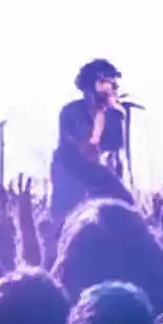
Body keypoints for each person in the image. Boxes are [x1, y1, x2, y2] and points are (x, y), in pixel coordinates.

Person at [49, 59, 133, 223]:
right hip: (70, 173)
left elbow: (115, 147)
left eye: (112, 83)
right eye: (103, 82)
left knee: (126, 203)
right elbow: (87, 149)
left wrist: (116, 117)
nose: (110, 88)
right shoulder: (71, 112)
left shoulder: (112, 114)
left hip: (95, 174)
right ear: (89, 88)